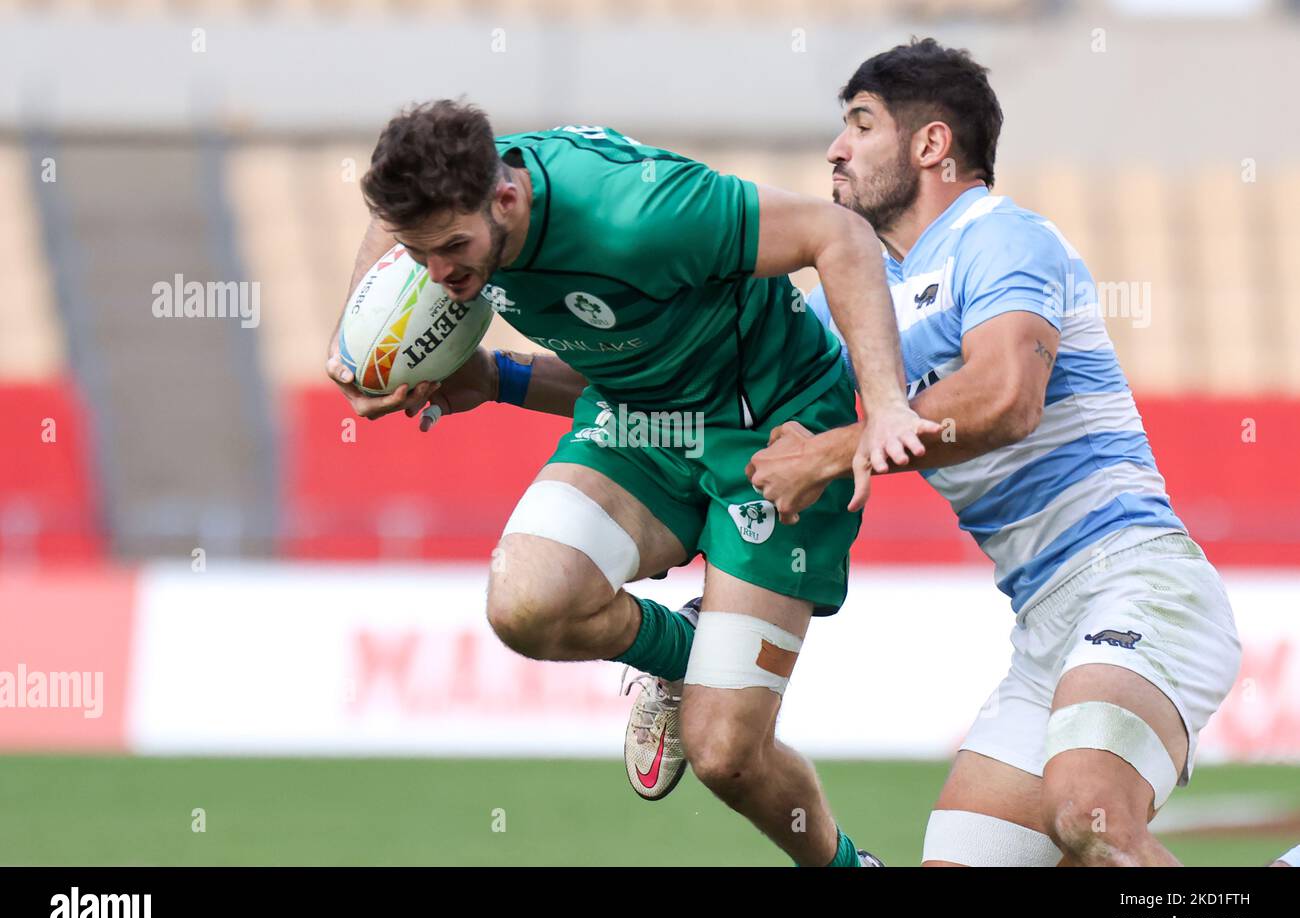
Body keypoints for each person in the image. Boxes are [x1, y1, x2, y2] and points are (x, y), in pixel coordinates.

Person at [325, 102, 940, 866]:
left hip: (770, 419)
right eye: (421, 258)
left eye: (452, 249)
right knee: (525, 603)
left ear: (507, 198)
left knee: (724, 755)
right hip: (639, 419)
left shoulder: (640, 210)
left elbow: (838, 234)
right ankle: (685, 652)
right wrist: (360, 348)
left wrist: (883, 406)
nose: (442, 280)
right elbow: (392, 224)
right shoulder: (451, 193)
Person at [745, 38, 1242, 866]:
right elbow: (726, 392)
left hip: (1139, 583)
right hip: (1044, 624)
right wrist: (505, 375)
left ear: (931, 144)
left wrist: (836, 452)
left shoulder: (1001, 237)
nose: (835, 149)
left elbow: (1007, 397)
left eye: (860, 125)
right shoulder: (859, 296)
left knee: (1088, 812)